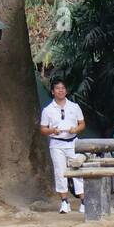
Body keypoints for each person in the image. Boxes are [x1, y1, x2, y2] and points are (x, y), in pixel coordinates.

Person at [39, 77, 85, 214]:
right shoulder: (47, 110)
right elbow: (43, 129)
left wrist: (75, 129)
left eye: (63, 88)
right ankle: (65, 202)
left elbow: (82, 123)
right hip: (56, 143)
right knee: (60, 172)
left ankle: (83, 201)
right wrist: (53, 130)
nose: (61, 91)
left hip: (73, 142)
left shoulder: (74, 107)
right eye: (58, 88)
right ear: (53, 91)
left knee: (78, 170)